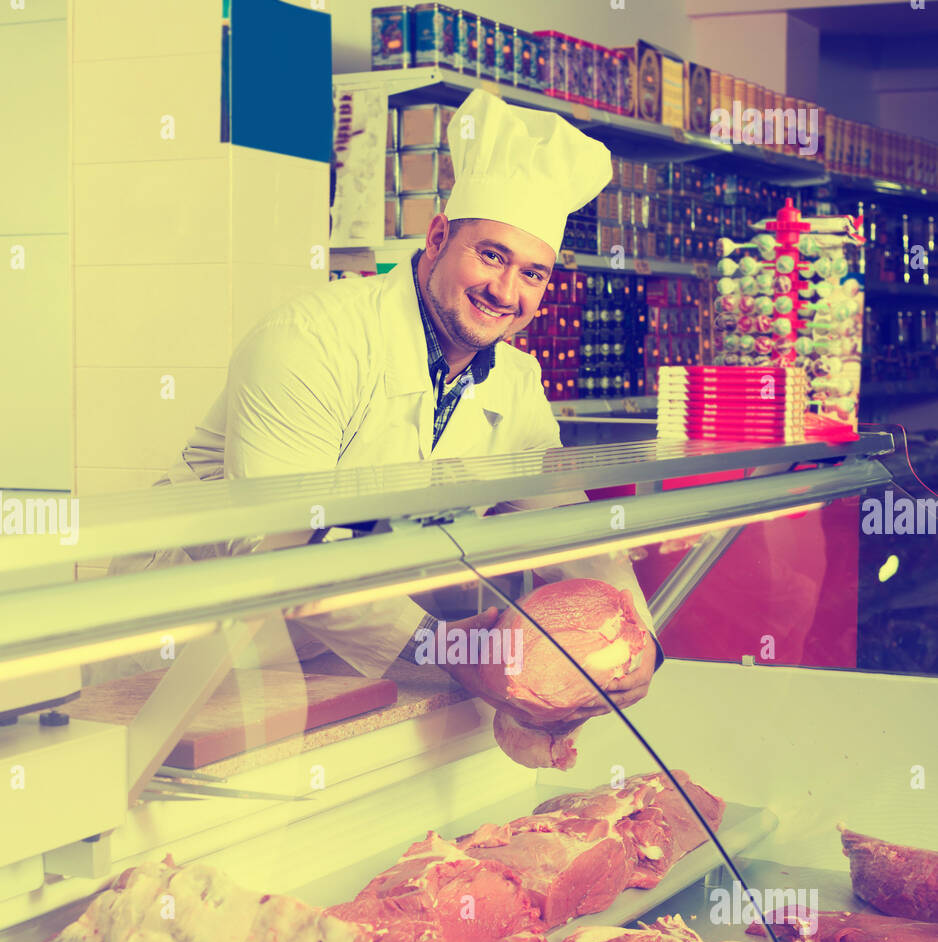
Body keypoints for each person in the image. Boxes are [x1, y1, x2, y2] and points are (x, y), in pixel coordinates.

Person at [111, 90, 660, 723]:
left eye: (533, 273)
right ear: (435, 237)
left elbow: (571, 529)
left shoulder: (515, 380)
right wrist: (453, 646)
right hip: (189, 644)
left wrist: (635, 643)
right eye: (491, 255)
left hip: (340, 660)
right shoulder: (312, 340)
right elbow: (281, 544)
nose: (506, 291)